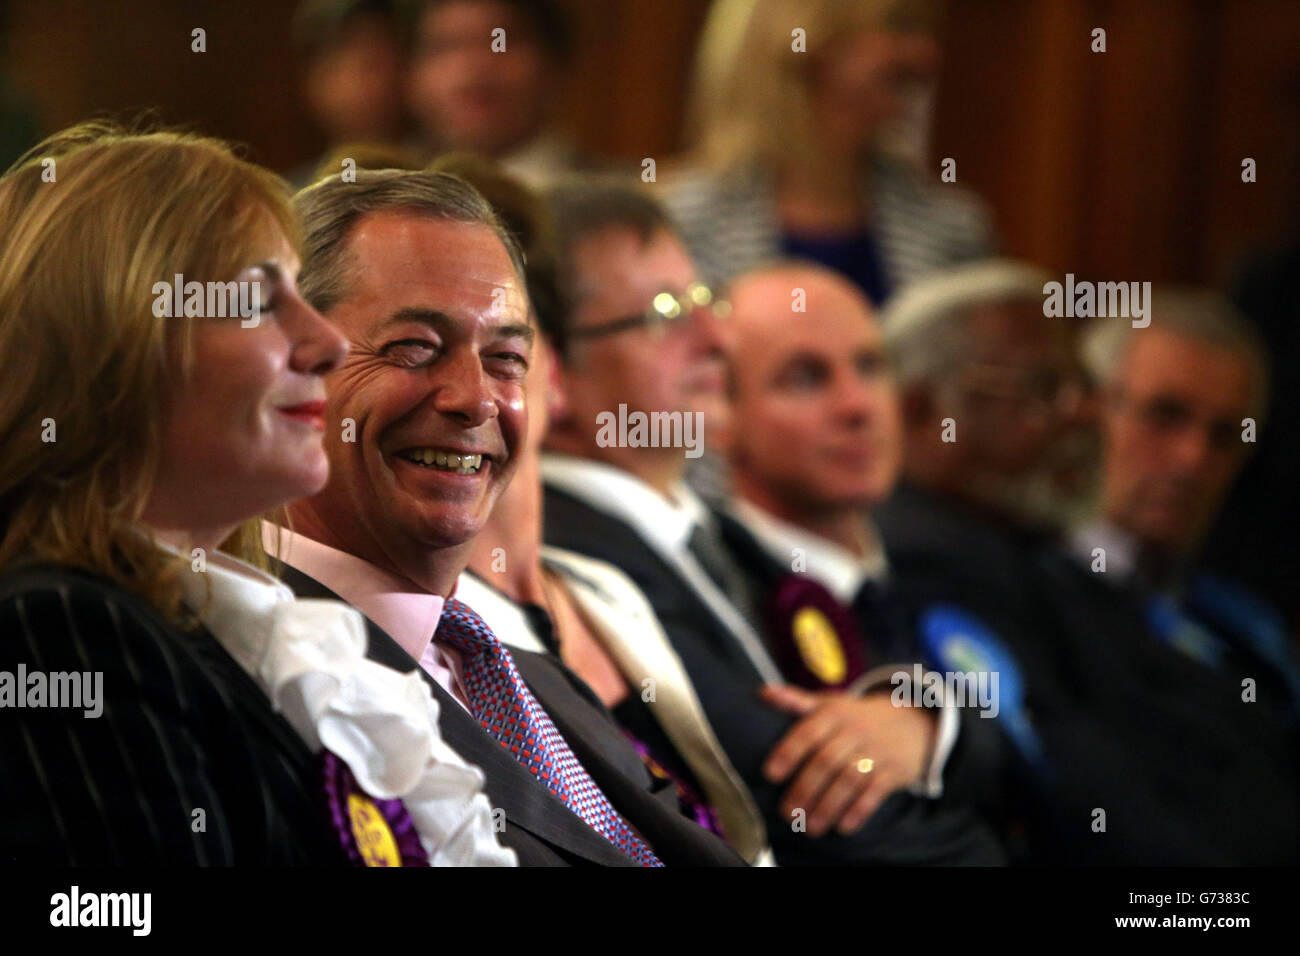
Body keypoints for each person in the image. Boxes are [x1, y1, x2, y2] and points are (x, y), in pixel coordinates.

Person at [0, 123, 514, 866]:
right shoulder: (59, 632)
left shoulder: (218, 629)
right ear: (108, 340)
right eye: (258, 301)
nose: (327, 344)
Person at [273, 166, 743, 866]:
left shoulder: (516, 665)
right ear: (289, 365)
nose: (477, 399)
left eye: (505, 357)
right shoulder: (245, 662)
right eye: (415, 348)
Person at [539, 177, 1004, 865]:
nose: (716, 337)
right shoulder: (571, 558)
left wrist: (922, 723)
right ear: (553, 374)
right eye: (666, 313)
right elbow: (816, 820)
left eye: (706, 300)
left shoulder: (718, 539)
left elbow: (996, 743)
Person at [878, 264, 1298, 864]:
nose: (1081, 416)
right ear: (922, 410)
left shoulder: (1037, 566)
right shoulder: (928, 569)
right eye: (1044, 389)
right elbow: (1087, 806)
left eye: (1228, 434)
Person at [665, 0, 993, 303]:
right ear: (810, 36)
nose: (927, 53)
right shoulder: (680, 226)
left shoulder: (952, 227)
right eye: (899, 25)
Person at [1076, 292, 1300, 724]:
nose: (1192, 460)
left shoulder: (1249, 633)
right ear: (1089, 410)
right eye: (1164, 415)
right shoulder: (1009, 590)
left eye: (1224, 435)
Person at [405, 0, 588, 187]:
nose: (475, 64)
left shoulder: (609, 199)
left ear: (553, 64)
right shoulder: (385, 191)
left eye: (501, 41)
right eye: (448, 45)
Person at [290, 0, 408, 188]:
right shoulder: (292, 199)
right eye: (337, 64)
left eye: (372, 60)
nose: (356, 78)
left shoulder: (443, 181)